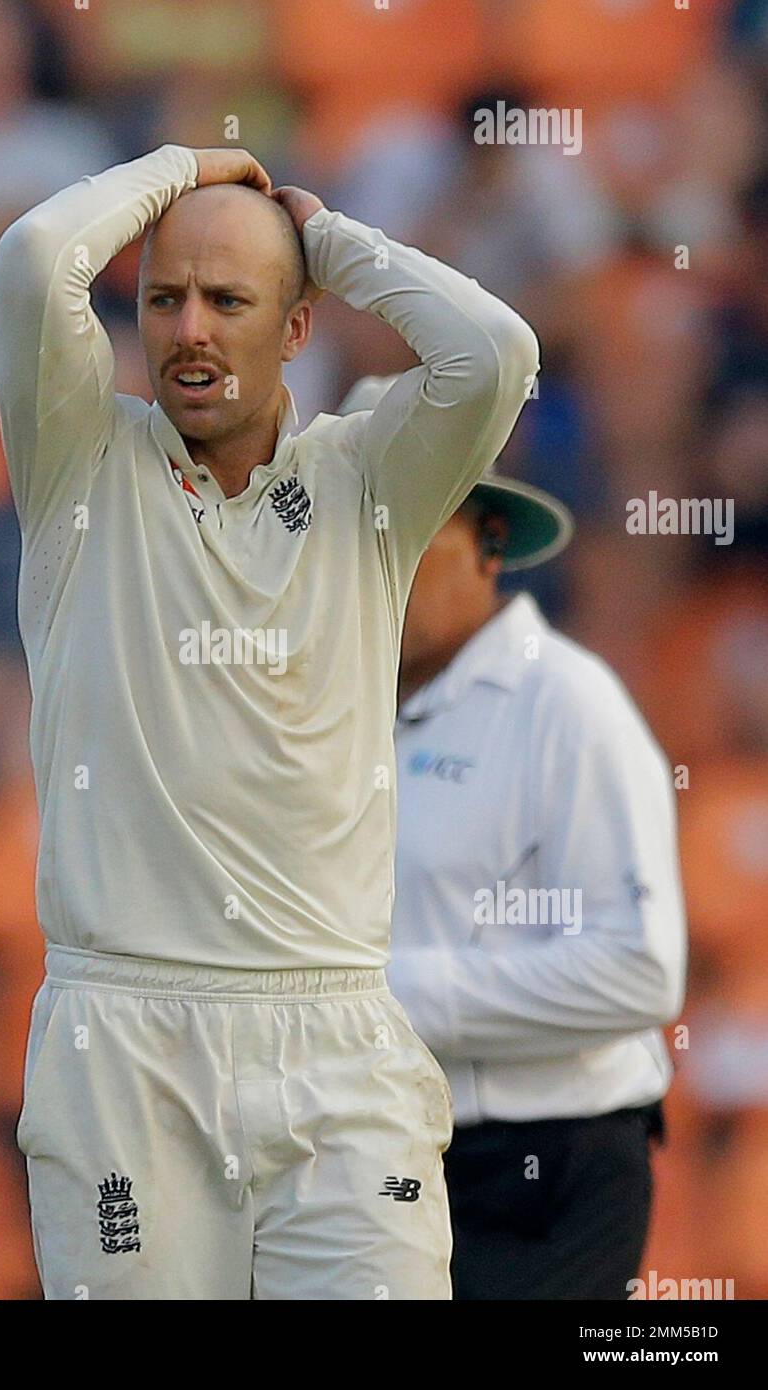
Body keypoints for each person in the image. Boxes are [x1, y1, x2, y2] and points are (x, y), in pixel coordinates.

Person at [0, 144, 539, 1300]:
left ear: (297, 330)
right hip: (124, 1040)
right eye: (162, 298)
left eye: (230, 300)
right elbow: (40, 256)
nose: (189, 330)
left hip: (335, 1032)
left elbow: (492, 353)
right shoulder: (80, 465)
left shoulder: (369, 483)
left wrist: (322, 238)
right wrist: (184, 168)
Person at [344, 371, 685, 1301]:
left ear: (489, 542)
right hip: (381, 1151)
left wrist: (386, 997)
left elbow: (640, 969)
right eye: (363, 536)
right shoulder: (328, 710)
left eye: (413, 532)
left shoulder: (566, 706)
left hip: (545, 1167)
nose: (381, 566)